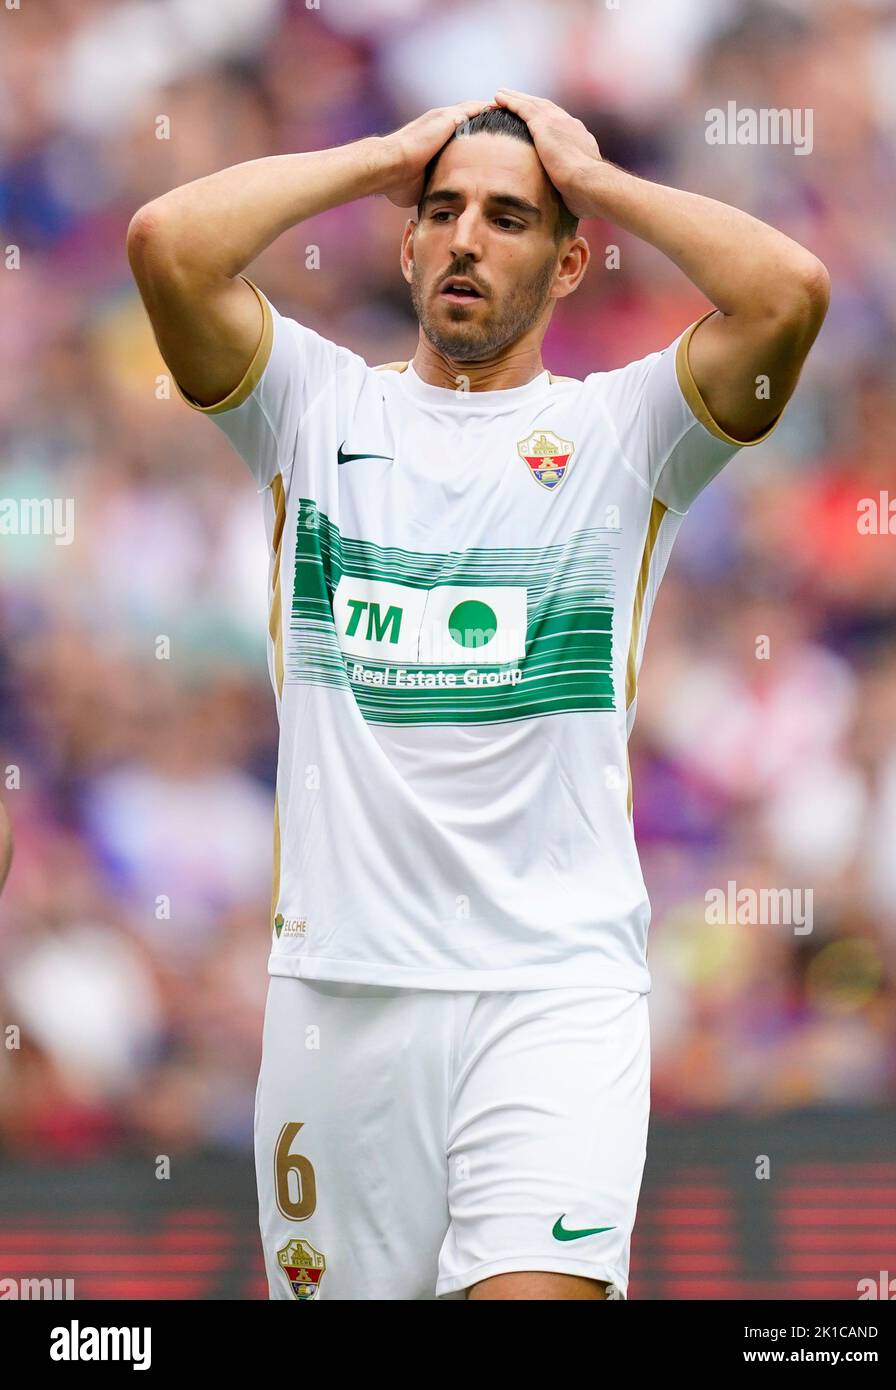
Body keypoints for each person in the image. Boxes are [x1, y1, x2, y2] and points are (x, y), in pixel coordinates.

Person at [127, 92, 829, 1301]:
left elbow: (789, 292)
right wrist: (378, 159)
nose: (464, 239)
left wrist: (597, 181)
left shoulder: (623, 433)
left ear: (567, 264)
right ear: (404, 243)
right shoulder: (313, 407)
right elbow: (166, 244)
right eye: (442, 212)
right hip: (338, 998)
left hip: (552, 992)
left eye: (509, 219)